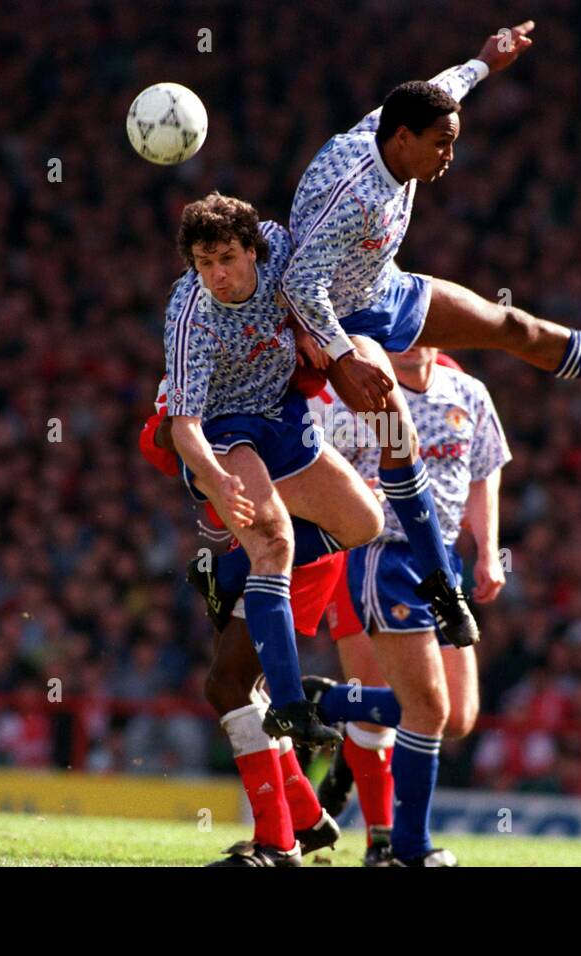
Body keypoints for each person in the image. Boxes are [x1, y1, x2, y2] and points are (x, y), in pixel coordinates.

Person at [281, 20, 581, 651]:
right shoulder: (355, 195)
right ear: (401, 139)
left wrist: (483, 61)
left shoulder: (394, 126)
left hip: (380, 287)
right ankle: (442, 588)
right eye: (441, 145)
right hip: (330, 320)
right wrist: (342, 353)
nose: (449, 156)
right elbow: (298, 287)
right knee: (397, 431)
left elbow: (442, 88)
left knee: (510, 324)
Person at [163, 192, 384, 746]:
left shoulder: (282, 245)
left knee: (365, 523)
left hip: (281, 414)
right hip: (223, 428)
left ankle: (227, 575)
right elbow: (183, 428)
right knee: (275, 543)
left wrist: (309, 329)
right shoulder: (190, 315)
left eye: (227, 259)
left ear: (253, 251)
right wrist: (218, 481)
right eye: (204, 263)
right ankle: (288, 704)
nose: (217, 275)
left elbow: (311, 291)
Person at [301, 346, 509, 866]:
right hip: (378, 556)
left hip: (442, 564)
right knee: (419, 710)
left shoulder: (465, 389)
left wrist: (488, 551)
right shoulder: (352, 385)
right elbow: (312, 462)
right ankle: (389, 841)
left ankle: (326, 703)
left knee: (456, 716)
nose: (413, 336)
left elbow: (484, 471)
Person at [140, 384, 341, 867]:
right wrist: (176, 430)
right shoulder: (201, 359)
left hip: (289, 543)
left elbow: (162, 440)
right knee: (240, 685)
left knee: (229, 685)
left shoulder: (261, 362)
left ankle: (279, 842)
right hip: (267, 540)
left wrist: (182, 429)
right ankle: (306, 820)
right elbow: (157, 444)